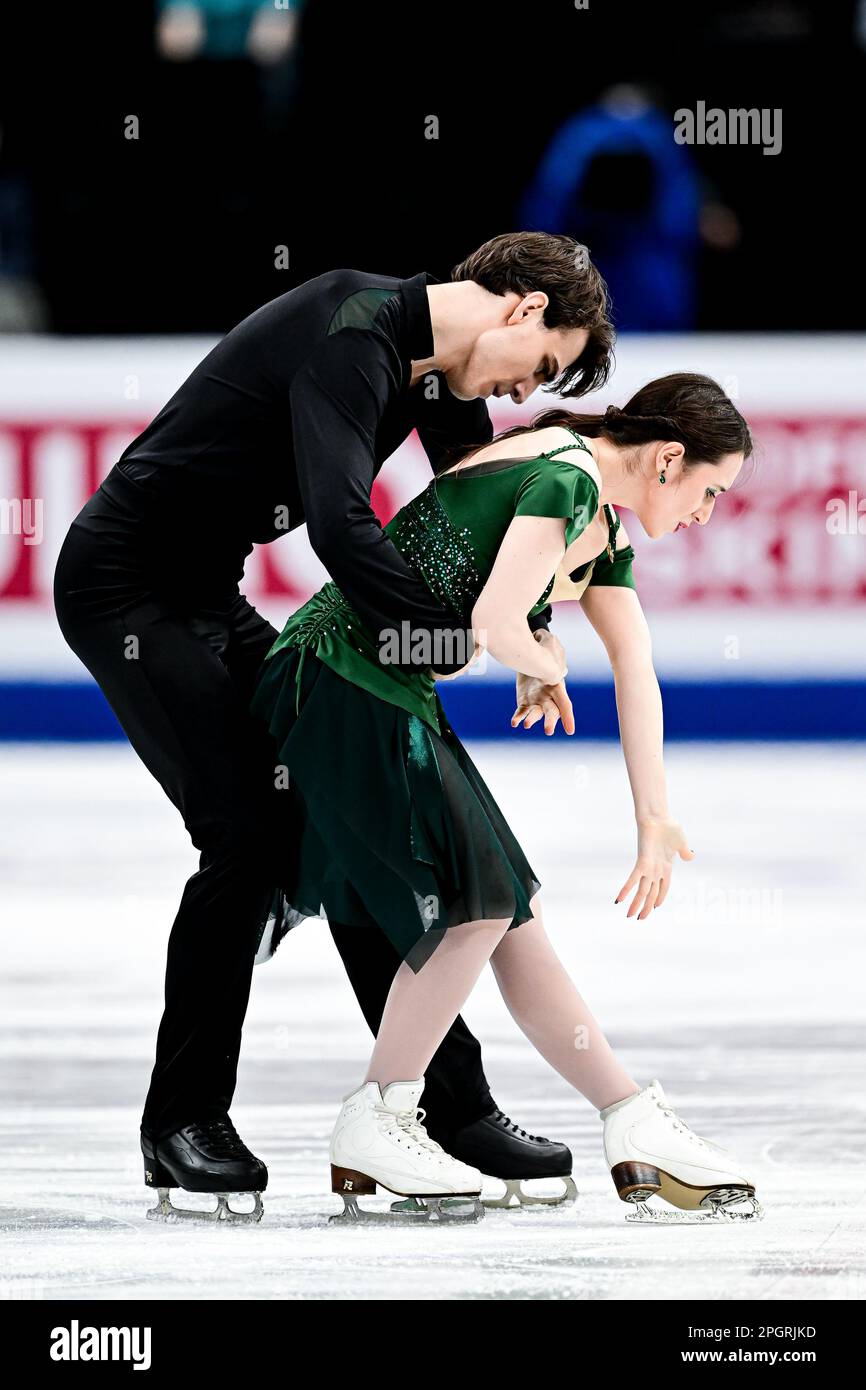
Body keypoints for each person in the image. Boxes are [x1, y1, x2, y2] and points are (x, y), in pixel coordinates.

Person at [52, 232, 614, 1222]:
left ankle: (447, 1106)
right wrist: (439, 640)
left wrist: (522, 623)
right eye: (537, 368)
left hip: (205, 589)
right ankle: (180, 1123)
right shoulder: (352, 331)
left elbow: (477, 497)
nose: (527, 390)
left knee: (350, 817)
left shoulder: (441, 369)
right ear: (519, 309)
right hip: (126, 591)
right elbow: (338, 522)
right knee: (246, 835)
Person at [247, 372, 765, 1224]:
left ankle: (630, 1118)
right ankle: (377, 1116)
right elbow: (492, 622)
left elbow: (637, 669)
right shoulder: (566, 477)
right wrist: (540, 658)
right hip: (339, 673)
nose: (710, 512)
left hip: (388, 685)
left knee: (507, 908)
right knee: (476, 904)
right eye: (711, 490)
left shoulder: (599, 526)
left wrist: (653, 818)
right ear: (669, 459)